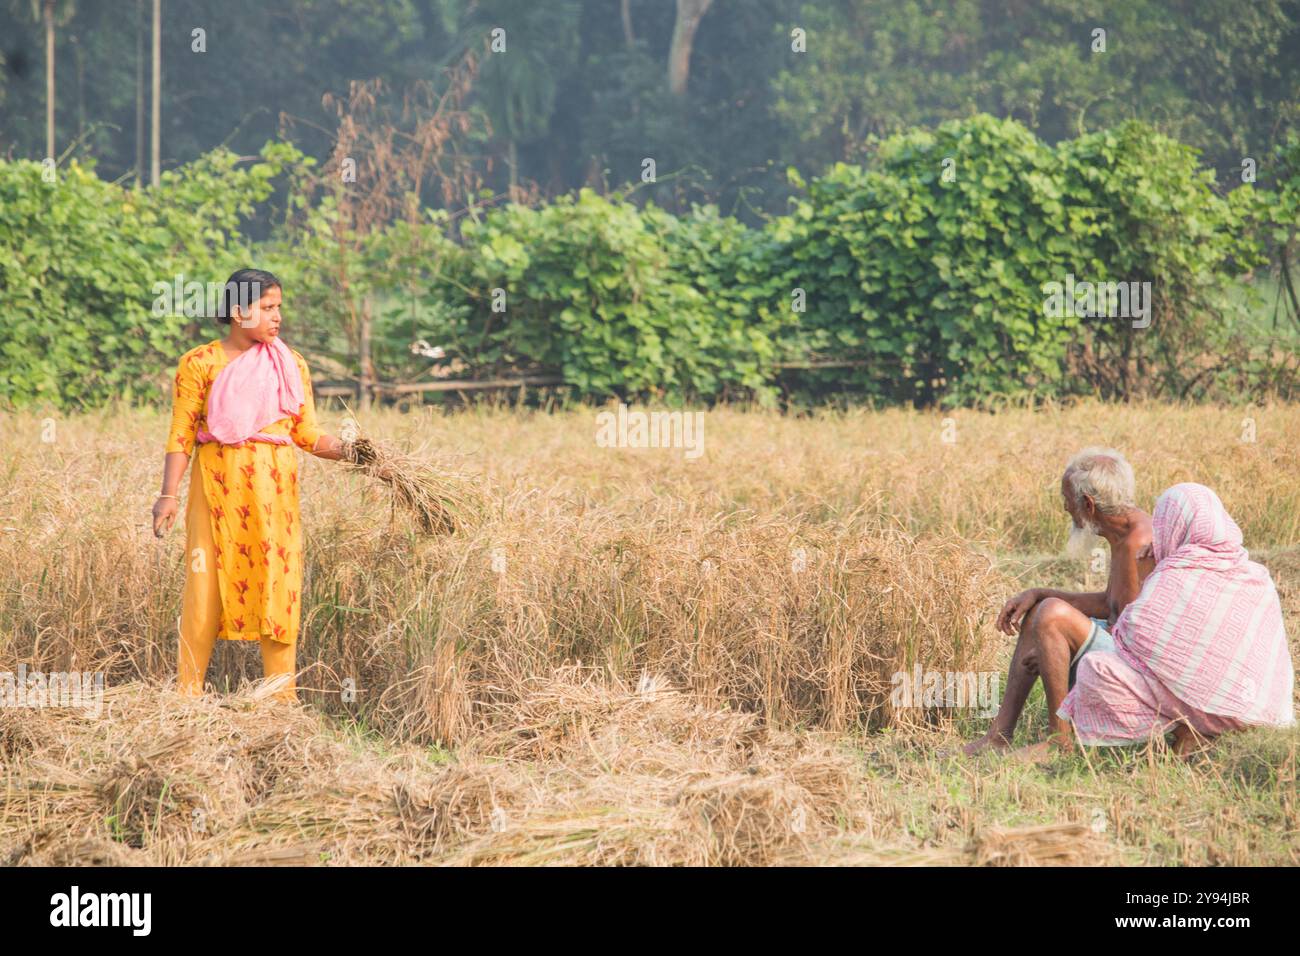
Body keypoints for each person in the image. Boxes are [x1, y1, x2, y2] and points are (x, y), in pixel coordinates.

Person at [151, 268, 349, 701]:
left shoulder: (290, 363)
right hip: (215, 490)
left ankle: (281, 699)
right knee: (204, 585)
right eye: (268, 308)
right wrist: (167, 495)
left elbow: (308, 434)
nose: (278, 317)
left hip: (274, 494)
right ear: (239, 311)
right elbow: (181, 434)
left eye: (279, 307)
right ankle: (187, 697)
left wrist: (356, 451)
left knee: (279, 584)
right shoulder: (199, 363)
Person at [1057, 482, 1295, 754]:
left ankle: (1186, 731)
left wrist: (1148, 574)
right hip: (1262, 711)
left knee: (1095, 667)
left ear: (1173, 526)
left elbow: (1134, 636)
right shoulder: (1256, 575)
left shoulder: (1178, 572)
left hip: (1211, 711)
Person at [964, 447, 1153, 755]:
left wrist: (1060, 652)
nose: (1066, 508)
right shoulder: (1122, 535)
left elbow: (1133, 637)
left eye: (1067, 500)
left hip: (1134, 667)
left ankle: (1059, 742)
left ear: (1088, 504)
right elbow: (1111, 605)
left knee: (1051, 614)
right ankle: (999, 736)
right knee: (1041, 607)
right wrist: (1038, 593)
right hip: (1121, 647)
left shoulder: (1138, 542)